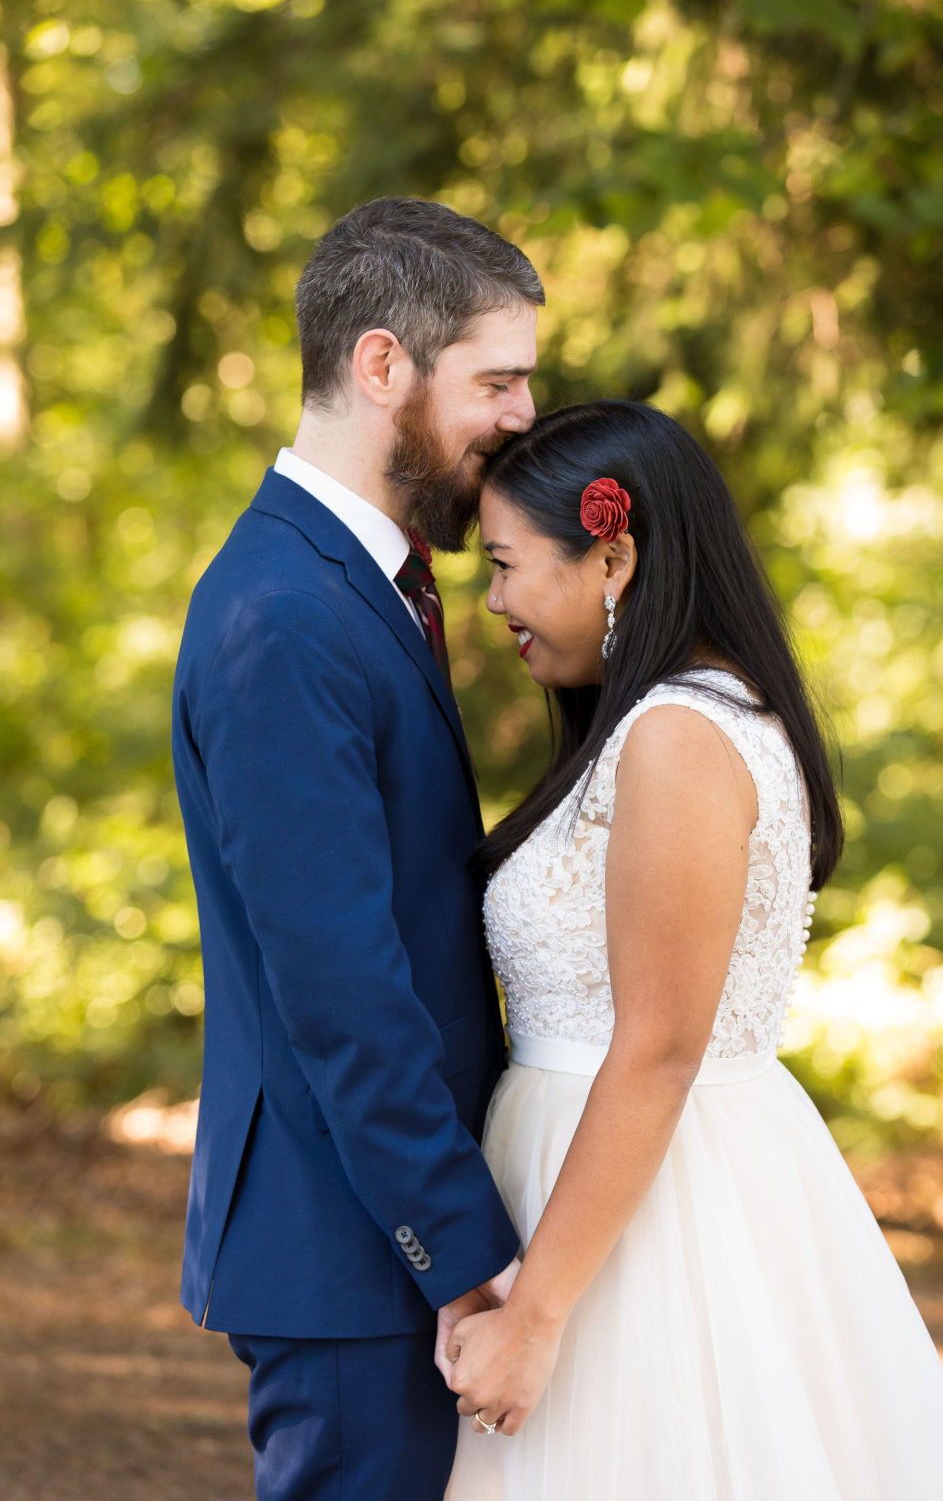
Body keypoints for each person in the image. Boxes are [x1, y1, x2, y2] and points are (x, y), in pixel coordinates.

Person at [443, 401, 943, 1499]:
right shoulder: (669, 718)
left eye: (506, 566)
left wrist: (538, 1315)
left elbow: (657, 1044)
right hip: (600, 1175)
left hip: (648, 1214)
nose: (496, 600)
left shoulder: (678, 738)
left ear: (612, 555)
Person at [171, 197, 543, 1501]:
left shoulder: (359, 582)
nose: (518, 416)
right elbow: (341, 988)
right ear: (381, 364)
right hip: (351, 1258)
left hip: (373, 1240)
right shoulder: (280, 616)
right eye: (494, 380)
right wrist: (463, 1255)